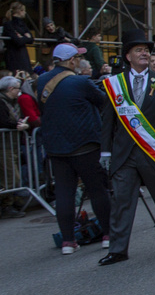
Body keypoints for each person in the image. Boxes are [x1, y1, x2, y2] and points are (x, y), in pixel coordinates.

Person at [97, 29, 155, 265]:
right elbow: (107, 121)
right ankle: (118, 249)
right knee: (121, 201)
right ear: (127, 56)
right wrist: (105, 151)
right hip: (123, 154)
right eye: (139, 50)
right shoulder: (113, 84)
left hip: (153, 152)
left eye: (147, 51)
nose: (144, 54)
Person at [35, 43, 112, 254]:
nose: (78, 61)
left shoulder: (42, 81)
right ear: (71, 61)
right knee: (97, 189)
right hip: (84, 144)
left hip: (56, 147)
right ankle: (107, 234)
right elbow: (103, 101)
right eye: (77, 58)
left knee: (64, 193)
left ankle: (68, 241)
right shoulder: (80, 82)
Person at [0, 75, 31, 218]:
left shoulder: (11, 102)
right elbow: (3, 121)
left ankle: (10, 203)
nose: (19, 92)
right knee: (11, 177)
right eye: (18, 89)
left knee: (11, 177)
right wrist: (18, 126)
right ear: (10, 88)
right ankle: (7, 205)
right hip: (4, 145)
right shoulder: (2, 102)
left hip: (11, 144)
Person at [3, 3, 33, 73]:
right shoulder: (8, 24)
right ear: (20, 11)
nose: (25, 13)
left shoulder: (22, 24)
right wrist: (26, 37)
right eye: (24, 11)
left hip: (21, 54)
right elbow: (18, 41)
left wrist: (22, 37)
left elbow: (31, 39)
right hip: (14, 56)